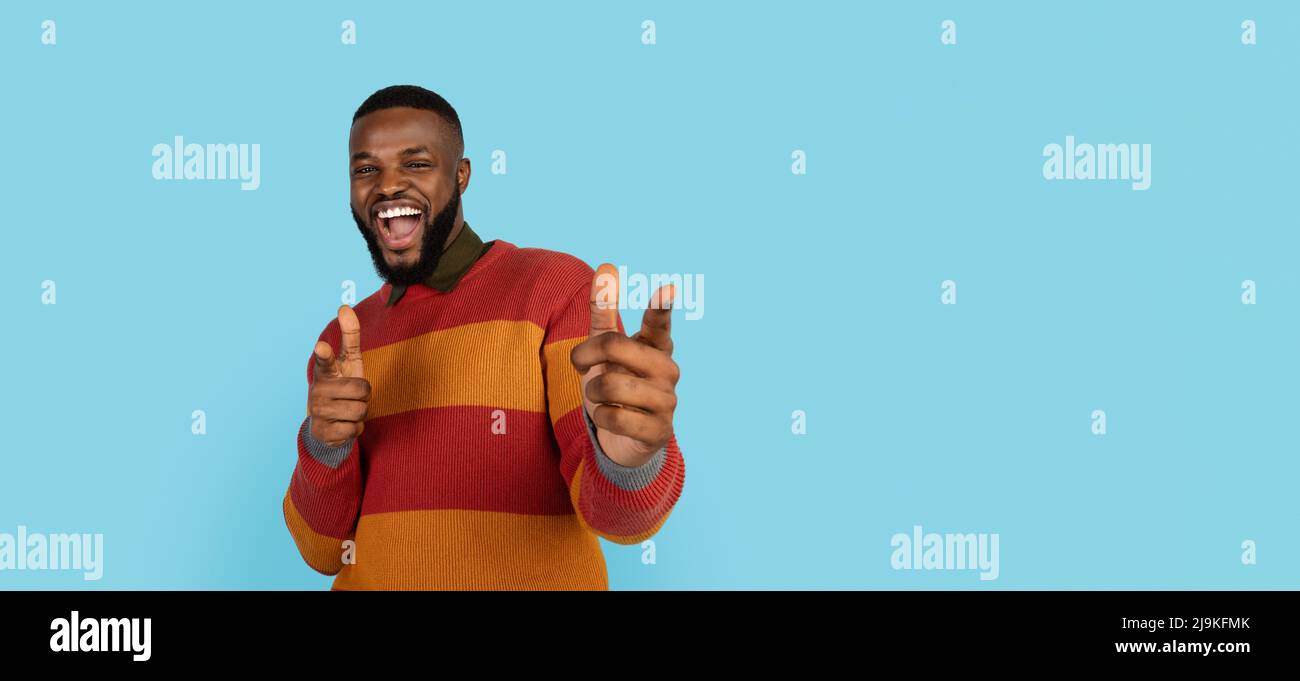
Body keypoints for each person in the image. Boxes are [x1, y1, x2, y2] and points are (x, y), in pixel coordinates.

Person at [282, 85, 686, 589]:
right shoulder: (344, 341)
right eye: (365, 169)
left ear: (461, 176)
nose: (387, 186)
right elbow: (321, 551)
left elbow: (622, 520)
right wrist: (326, 448)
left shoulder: (554, 287)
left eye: (416, 164)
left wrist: (629, 461)